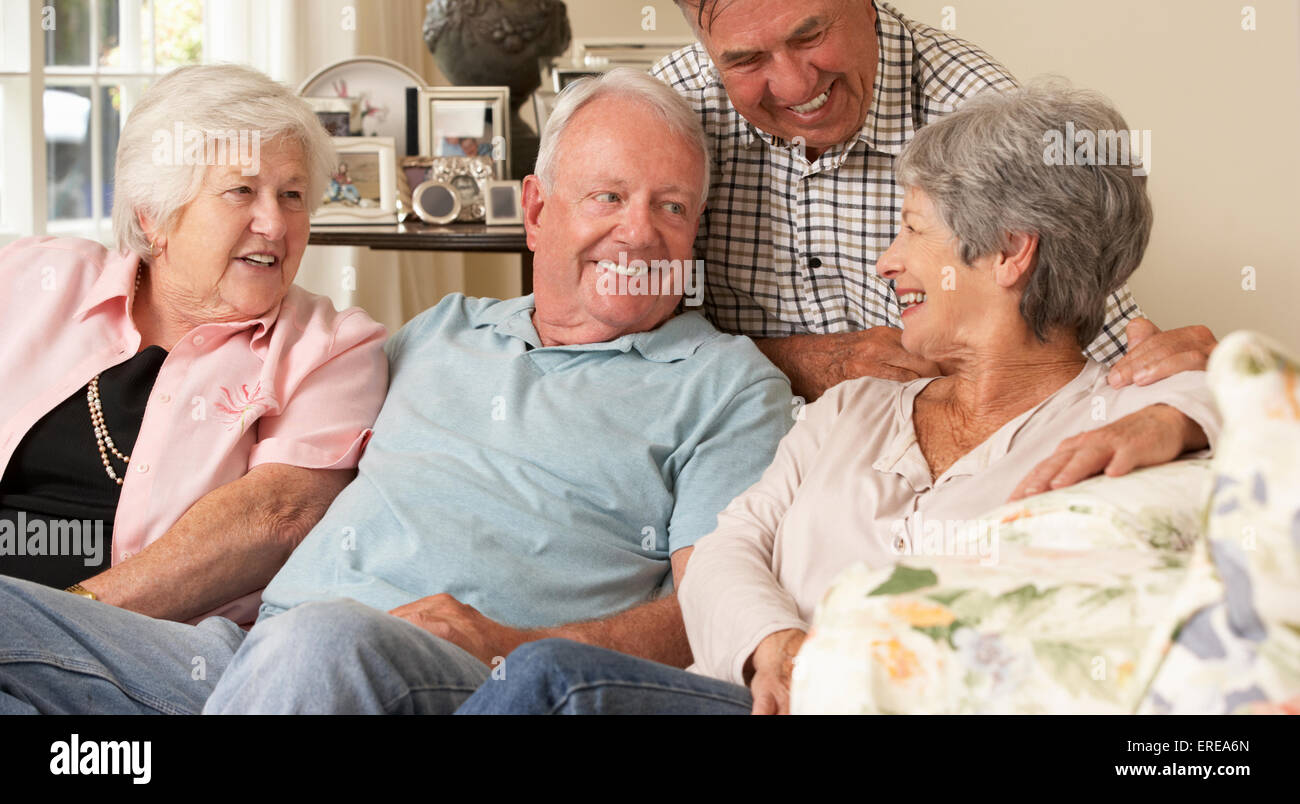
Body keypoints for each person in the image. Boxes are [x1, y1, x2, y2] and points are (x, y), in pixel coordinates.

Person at [0, 68, 794, 715]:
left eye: (673, 206)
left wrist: (512, 644)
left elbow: (711, 603)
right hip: (239, 657)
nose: (640, 231)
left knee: (324, 640)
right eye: (608, 197)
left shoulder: (726, 386)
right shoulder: (443, 330)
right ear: (538, 209)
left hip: (450, 675)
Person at [454, 80, 1222, 715]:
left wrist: (1203, 401)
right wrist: (774, 645)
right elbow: (726, 551)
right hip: (756, 700)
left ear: (1010, 251)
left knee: (546, 682)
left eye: (913, 229)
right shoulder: (854, 411)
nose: (887, 263)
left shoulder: (1130, 430)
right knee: (547, 681)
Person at [652, 0, 1217, 403]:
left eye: (809, 35)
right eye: (746, 60)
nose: (795, 85)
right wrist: (797, 361)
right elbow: (589, 335)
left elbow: (1093, 353)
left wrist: (1191, 389)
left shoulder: (975, 111)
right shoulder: (662, 115)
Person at [0, 64, 387, 625]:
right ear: (153, 215)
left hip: (144, 657)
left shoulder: (331, 348)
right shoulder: (32, 280)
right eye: (242, 191)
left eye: (293, 195)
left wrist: (53, 626)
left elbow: (274, 518)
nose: (275, 223)